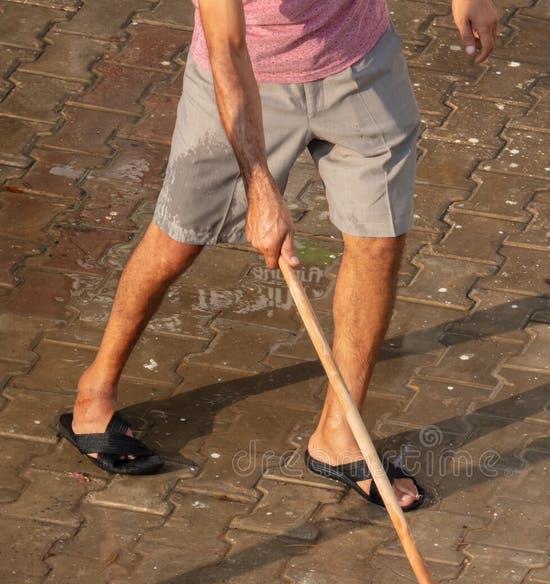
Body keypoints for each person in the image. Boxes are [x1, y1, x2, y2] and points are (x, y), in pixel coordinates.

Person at [58, 0, 498, 511]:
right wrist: (260, 188)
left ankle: (340, 435)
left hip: (360, 61)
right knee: (178, 239)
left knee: (379, 241)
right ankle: (95, 393)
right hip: (244, 80)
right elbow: (227, 50)